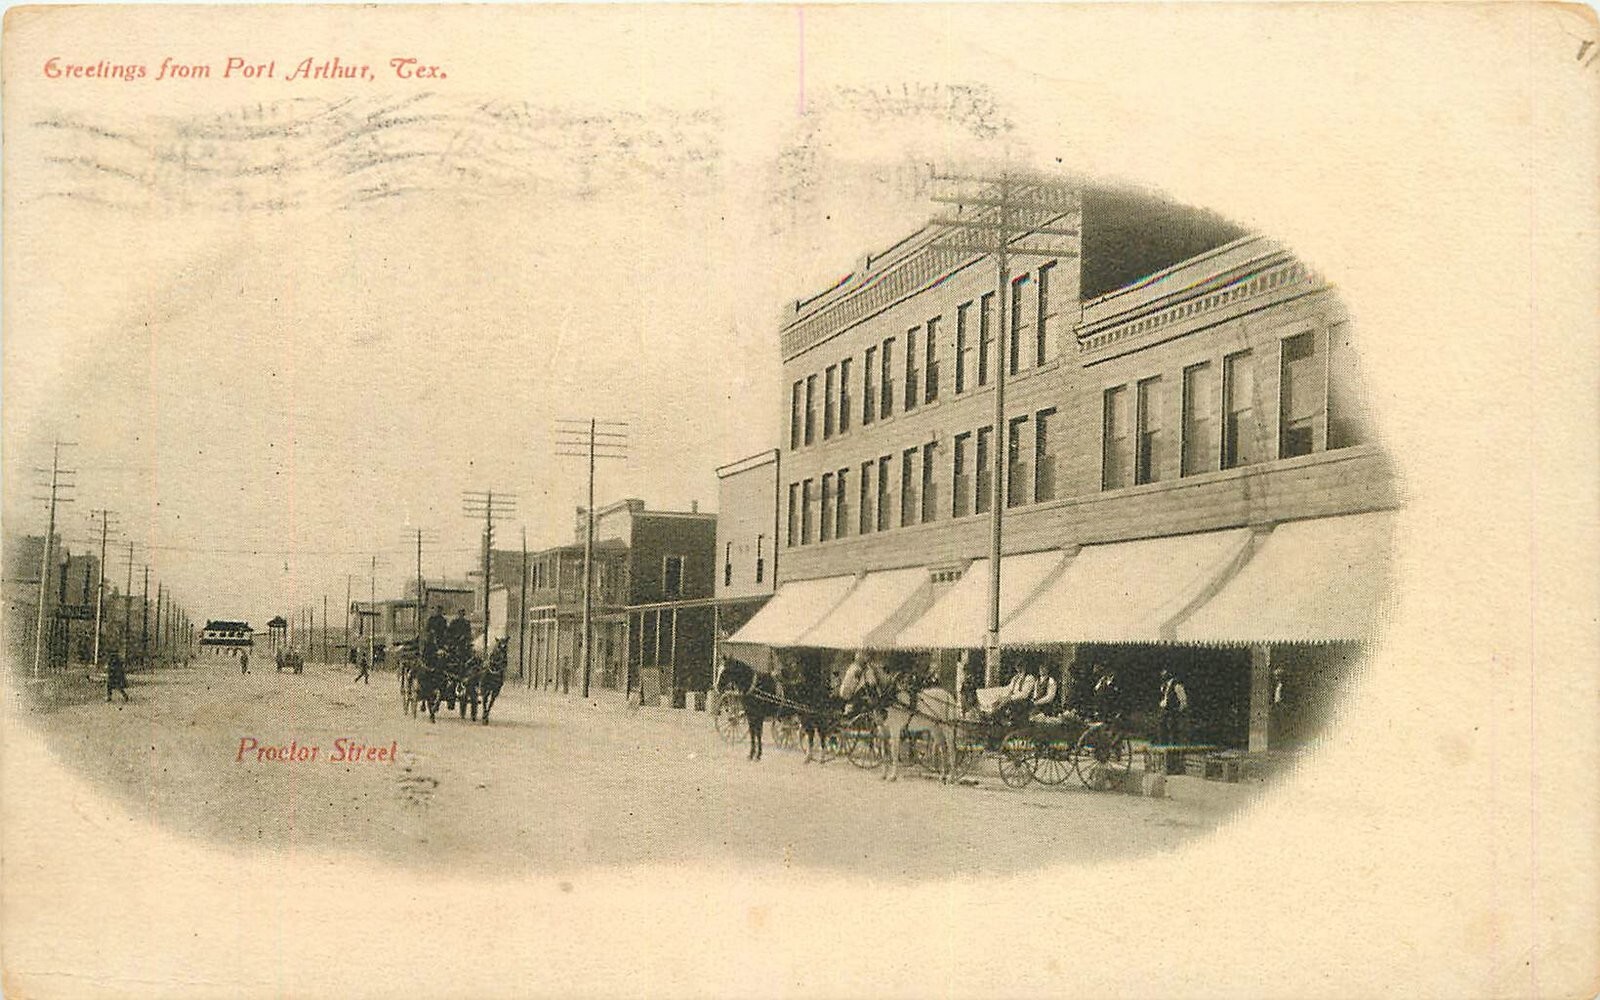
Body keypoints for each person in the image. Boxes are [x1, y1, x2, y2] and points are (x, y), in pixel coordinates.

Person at [1156, 668, 1190, 748]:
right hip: (1164, 709)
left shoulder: (1176, 685)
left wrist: (1180, 709)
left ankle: (1174, 747)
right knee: (1162, 727)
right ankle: (1163, 745)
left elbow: (1183, 699)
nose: (1163, 676)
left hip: (1172, 710)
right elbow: (1163, 697)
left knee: (1173, 728)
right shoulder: (1164, 686)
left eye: (1164, 674)